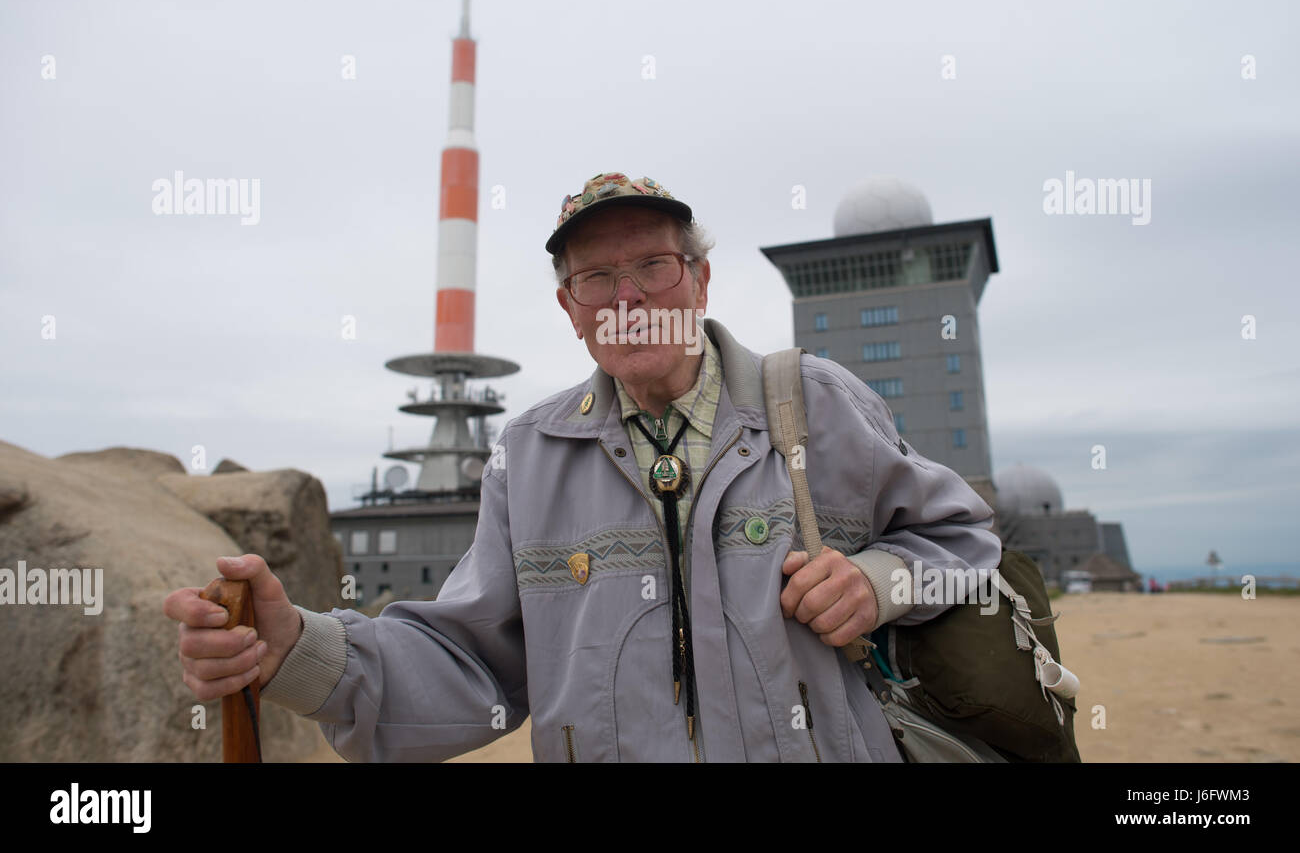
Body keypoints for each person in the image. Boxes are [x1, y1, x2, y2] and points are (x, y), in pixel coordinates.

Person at [165, 171, 1002, 762]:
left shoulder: (814, 403)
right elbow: (472, 663)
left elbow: (962, 542)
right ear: (570, 310)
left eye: (652, 266)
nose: (627, 299)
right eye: (596, 278)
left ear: (700, 280)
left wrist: (879, 580)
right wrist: (298, 654)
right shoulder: (528, 458)